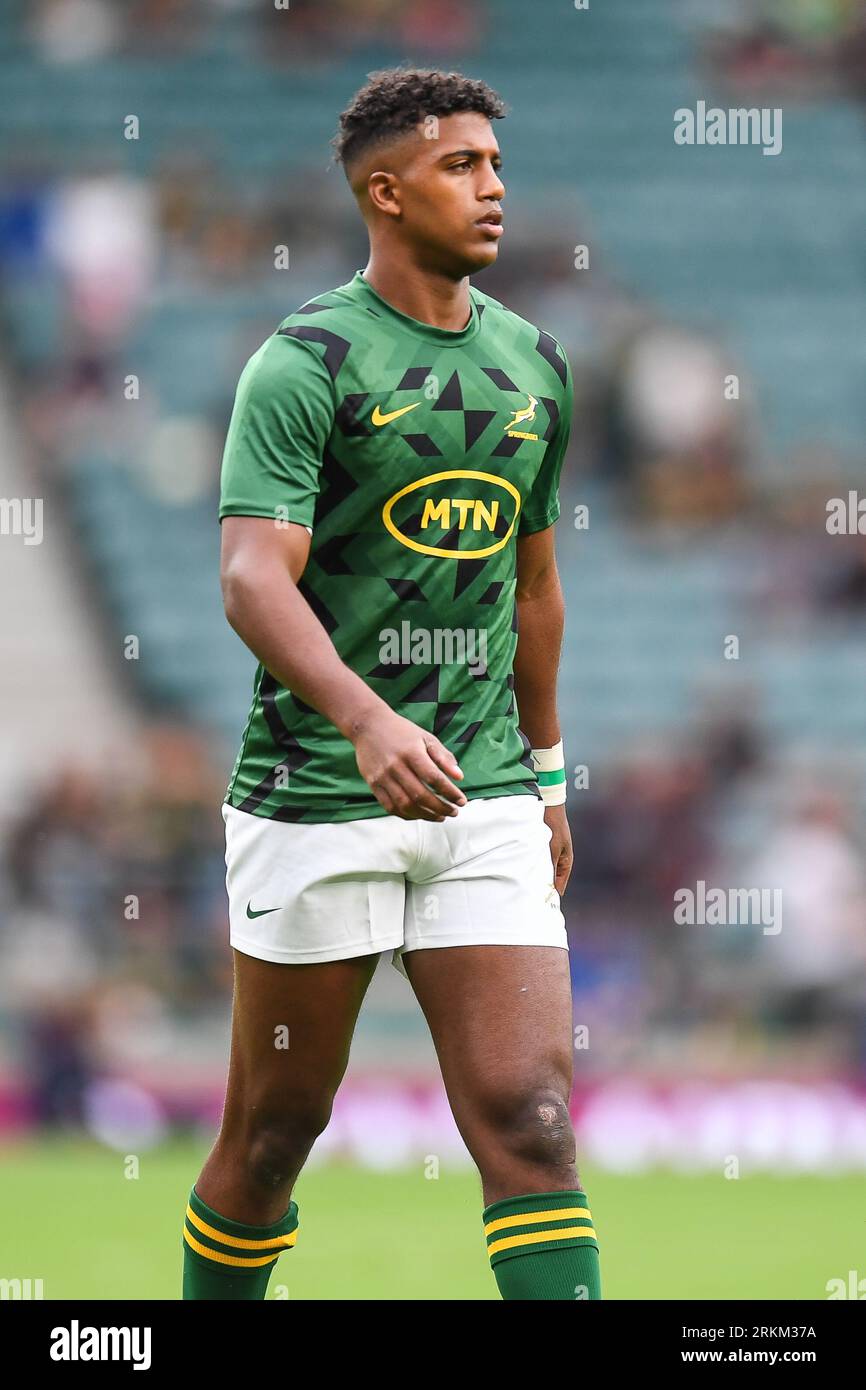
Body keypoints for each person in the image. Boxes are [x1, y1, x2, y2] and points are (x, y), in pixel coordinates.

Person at [182, 66, 599, 1301]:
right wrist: (364, 720)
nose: (493, 188)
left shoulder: (536, 365)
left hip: (480, 805)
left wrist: (542, 775)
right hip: (317, 793)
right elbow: (252, 578)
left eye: (496, 165)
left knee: (530, 1119)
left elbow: (534, 589)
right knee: (271, 1137)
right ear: (384, 188)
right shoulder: (302, 363)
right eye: (462, 165)